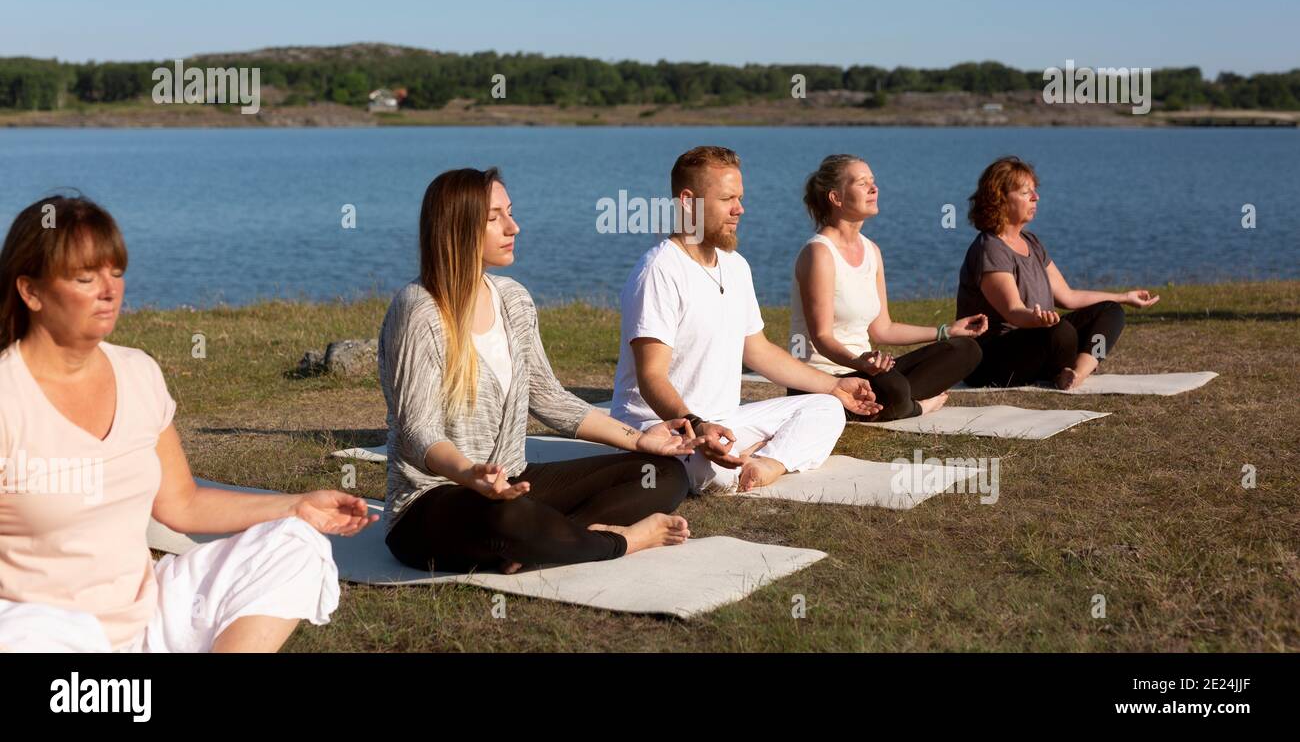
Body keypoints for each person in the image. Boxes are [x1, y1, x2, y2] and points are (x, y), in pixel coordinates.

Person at [0, 194, 374, 653]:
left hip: (144, 620)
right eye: (84, 277)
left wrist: (296, 506)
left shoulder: (138, 373)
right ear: (30, 291)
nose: (109, 291)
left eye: (115, 273)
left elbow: (183, 503)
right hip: (41, 632)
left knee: (295, 544)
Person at [380, 168, 700, 576]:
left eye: (510, 213)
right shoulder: (419, 309)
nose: (514, 226)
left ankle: (552, 540)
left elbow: (547, 397)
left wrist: (640, 441)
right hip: (432, 501)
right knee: (507, 518)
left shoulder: (514, 299)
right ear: (457, 226)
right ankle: (623, 540)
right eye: (495, 218)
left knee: (664, 474)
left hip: (514, 482)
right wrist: (471, 474)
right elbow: (417, 432)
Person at [610, 146, 882, 495]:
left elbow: (758, 351)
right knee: (717, 473)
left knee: (827, 408)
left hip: (723, 422)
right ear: (688, 202)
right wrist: (697, 424)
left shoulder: (736, 266)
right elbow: (650, 377)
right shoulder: (659, 271)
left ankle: (767, 463)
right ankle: (749, 457)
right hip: (661, 427)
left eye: (739, 197)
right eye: (727, 199)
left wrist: (833, 386)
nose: (740, 209)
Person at [788, 154, 987, 421]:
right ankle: (916, 406)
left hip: (867, 371)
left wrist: (946, 330)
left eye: (873, 181)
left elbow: (883, 329)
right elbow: (822, 337)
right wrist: (859, 363)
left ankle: (898, 401)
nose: (874, 188)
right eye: (862, 183)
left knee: (965, 350)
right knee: (892, 385)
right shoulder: (819, 253)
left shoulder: (871, 251)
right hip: (823, 381)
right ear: (836, 198)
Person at [957, 156, 1160, 389]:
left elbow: (1068, 297)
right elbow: (1013, 312)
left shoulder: (1031, 242)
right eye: (1026, 193)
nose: (1036, 197)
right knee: (1060, 331)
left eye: (1035, 191)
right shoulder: (990, 247)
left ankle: (1077, 372)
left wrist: (1123, 297)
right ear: (1000, 199)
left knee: (1110, 311)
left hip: (1038, 338)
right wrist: (1037, 320)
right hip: (990, 359)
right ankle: (1059, 368)